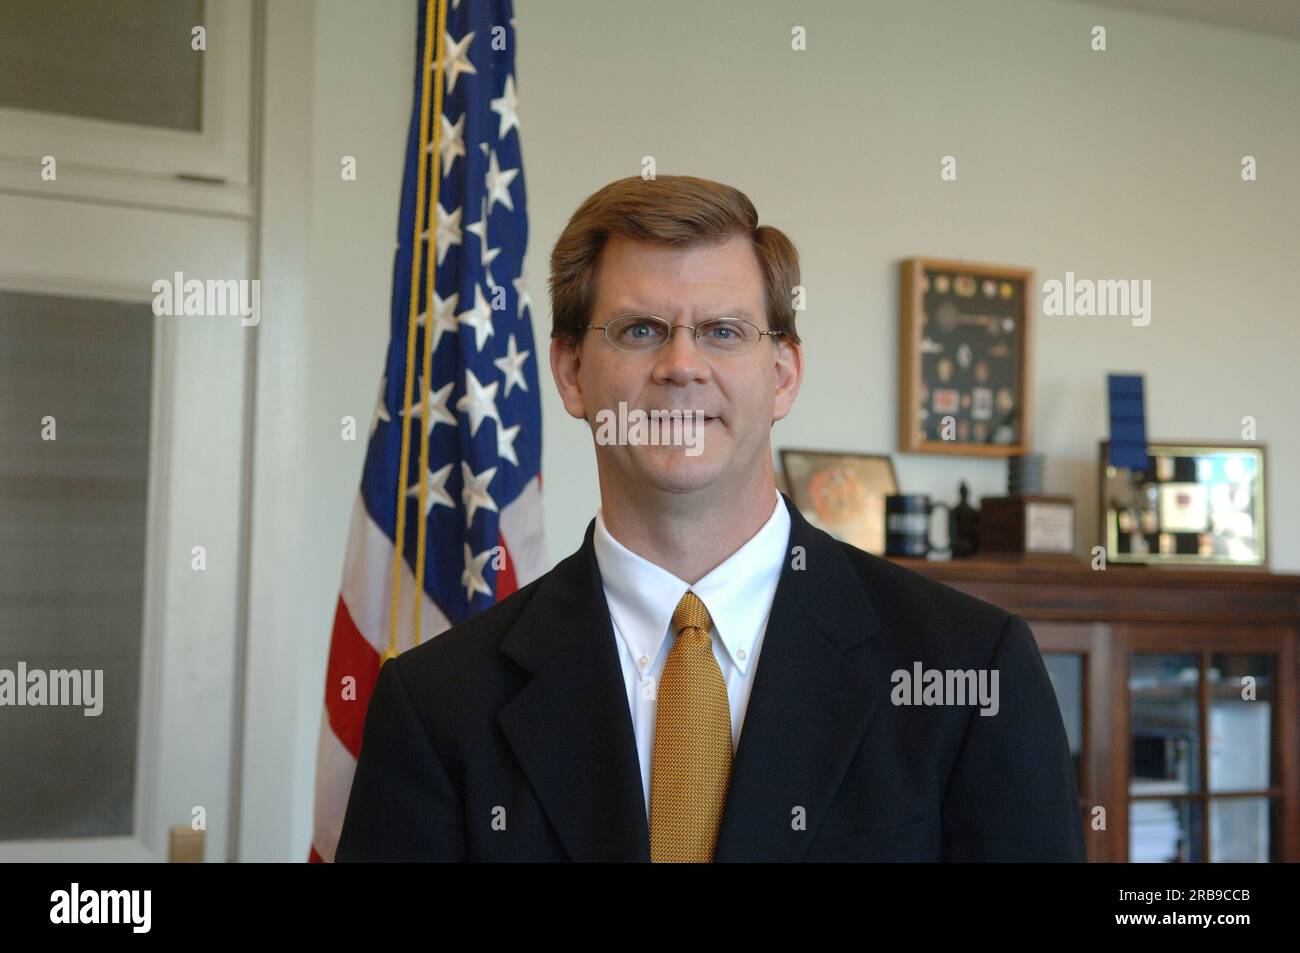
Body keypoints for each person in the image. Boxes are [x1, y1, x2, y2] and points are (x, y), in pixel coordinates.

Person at [335, 174, 1086, 862]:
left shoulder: (969, 667)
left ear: (783, 373)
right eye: (640, 330)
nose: (682, 365)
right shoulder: (436, 704)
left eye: (723, 331)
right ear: (569, 372)